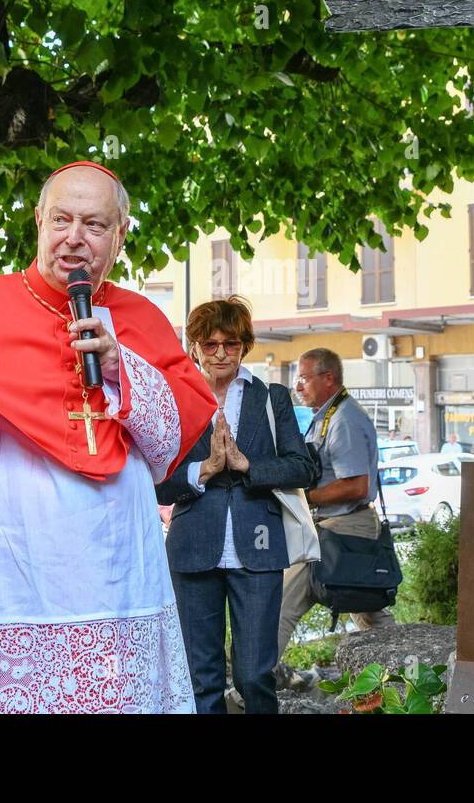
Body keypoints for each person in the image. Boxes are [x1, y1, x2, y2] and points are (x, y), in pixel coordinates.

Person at [0, 160, 217, 713]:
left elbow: (168, 446)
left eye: (95, 225)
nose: (74, 238)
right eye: (61, 220)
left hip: (110, 576)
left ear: (120, 235)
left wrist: (123, 367)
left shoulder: (141, 320)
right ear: (38, 221)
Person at [156, 298, 314, 714]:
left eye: (231, 343)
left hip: (259, 551)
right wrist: (203, 470)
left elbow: (303, 468)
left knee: (254, 674)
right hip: (192, 550)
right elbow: (157, 484)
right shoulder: (176, 399)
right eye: (210, 345)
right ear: (194, 347)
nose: (221, 353)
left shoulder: (271, 398)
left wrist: (248, 466)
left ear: (245, 345)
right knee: (199, 676)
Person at [276, 348, 395, 671]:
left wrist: (306, 498)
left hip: (344, 526)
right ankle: (403, 670)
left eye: (303, 378)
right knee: (365, 604)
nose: (298, 387)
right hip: (339, 524)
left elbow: (356, 485)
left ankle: (250, 690)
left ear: (328, 378)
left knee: (281, 603)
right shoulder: (331, 415)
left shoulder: (344, 419)